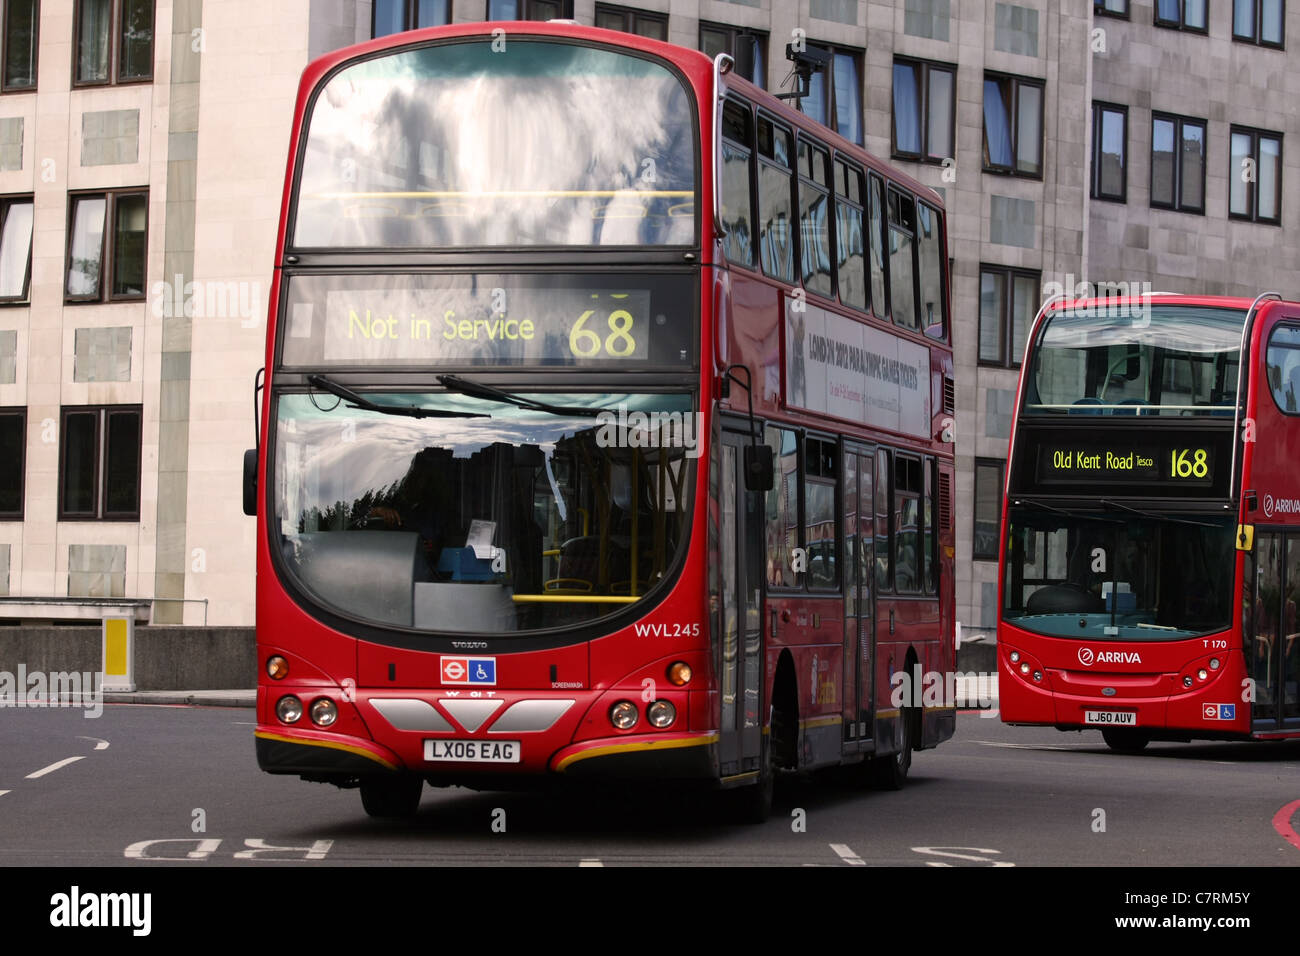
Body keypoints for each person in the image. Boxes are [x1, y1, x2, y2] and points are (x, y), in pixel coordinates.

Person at [367, 448, 451, 578]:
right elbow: (355, 525)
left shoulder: (433, 512)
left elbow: (438, 549)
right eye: (412, 474)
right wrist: (376, 512)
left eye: (421, 477)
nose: (414, 480)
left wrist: (429, 548)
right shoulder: (386, 500)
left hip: (420, 577)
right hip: (378, 572)